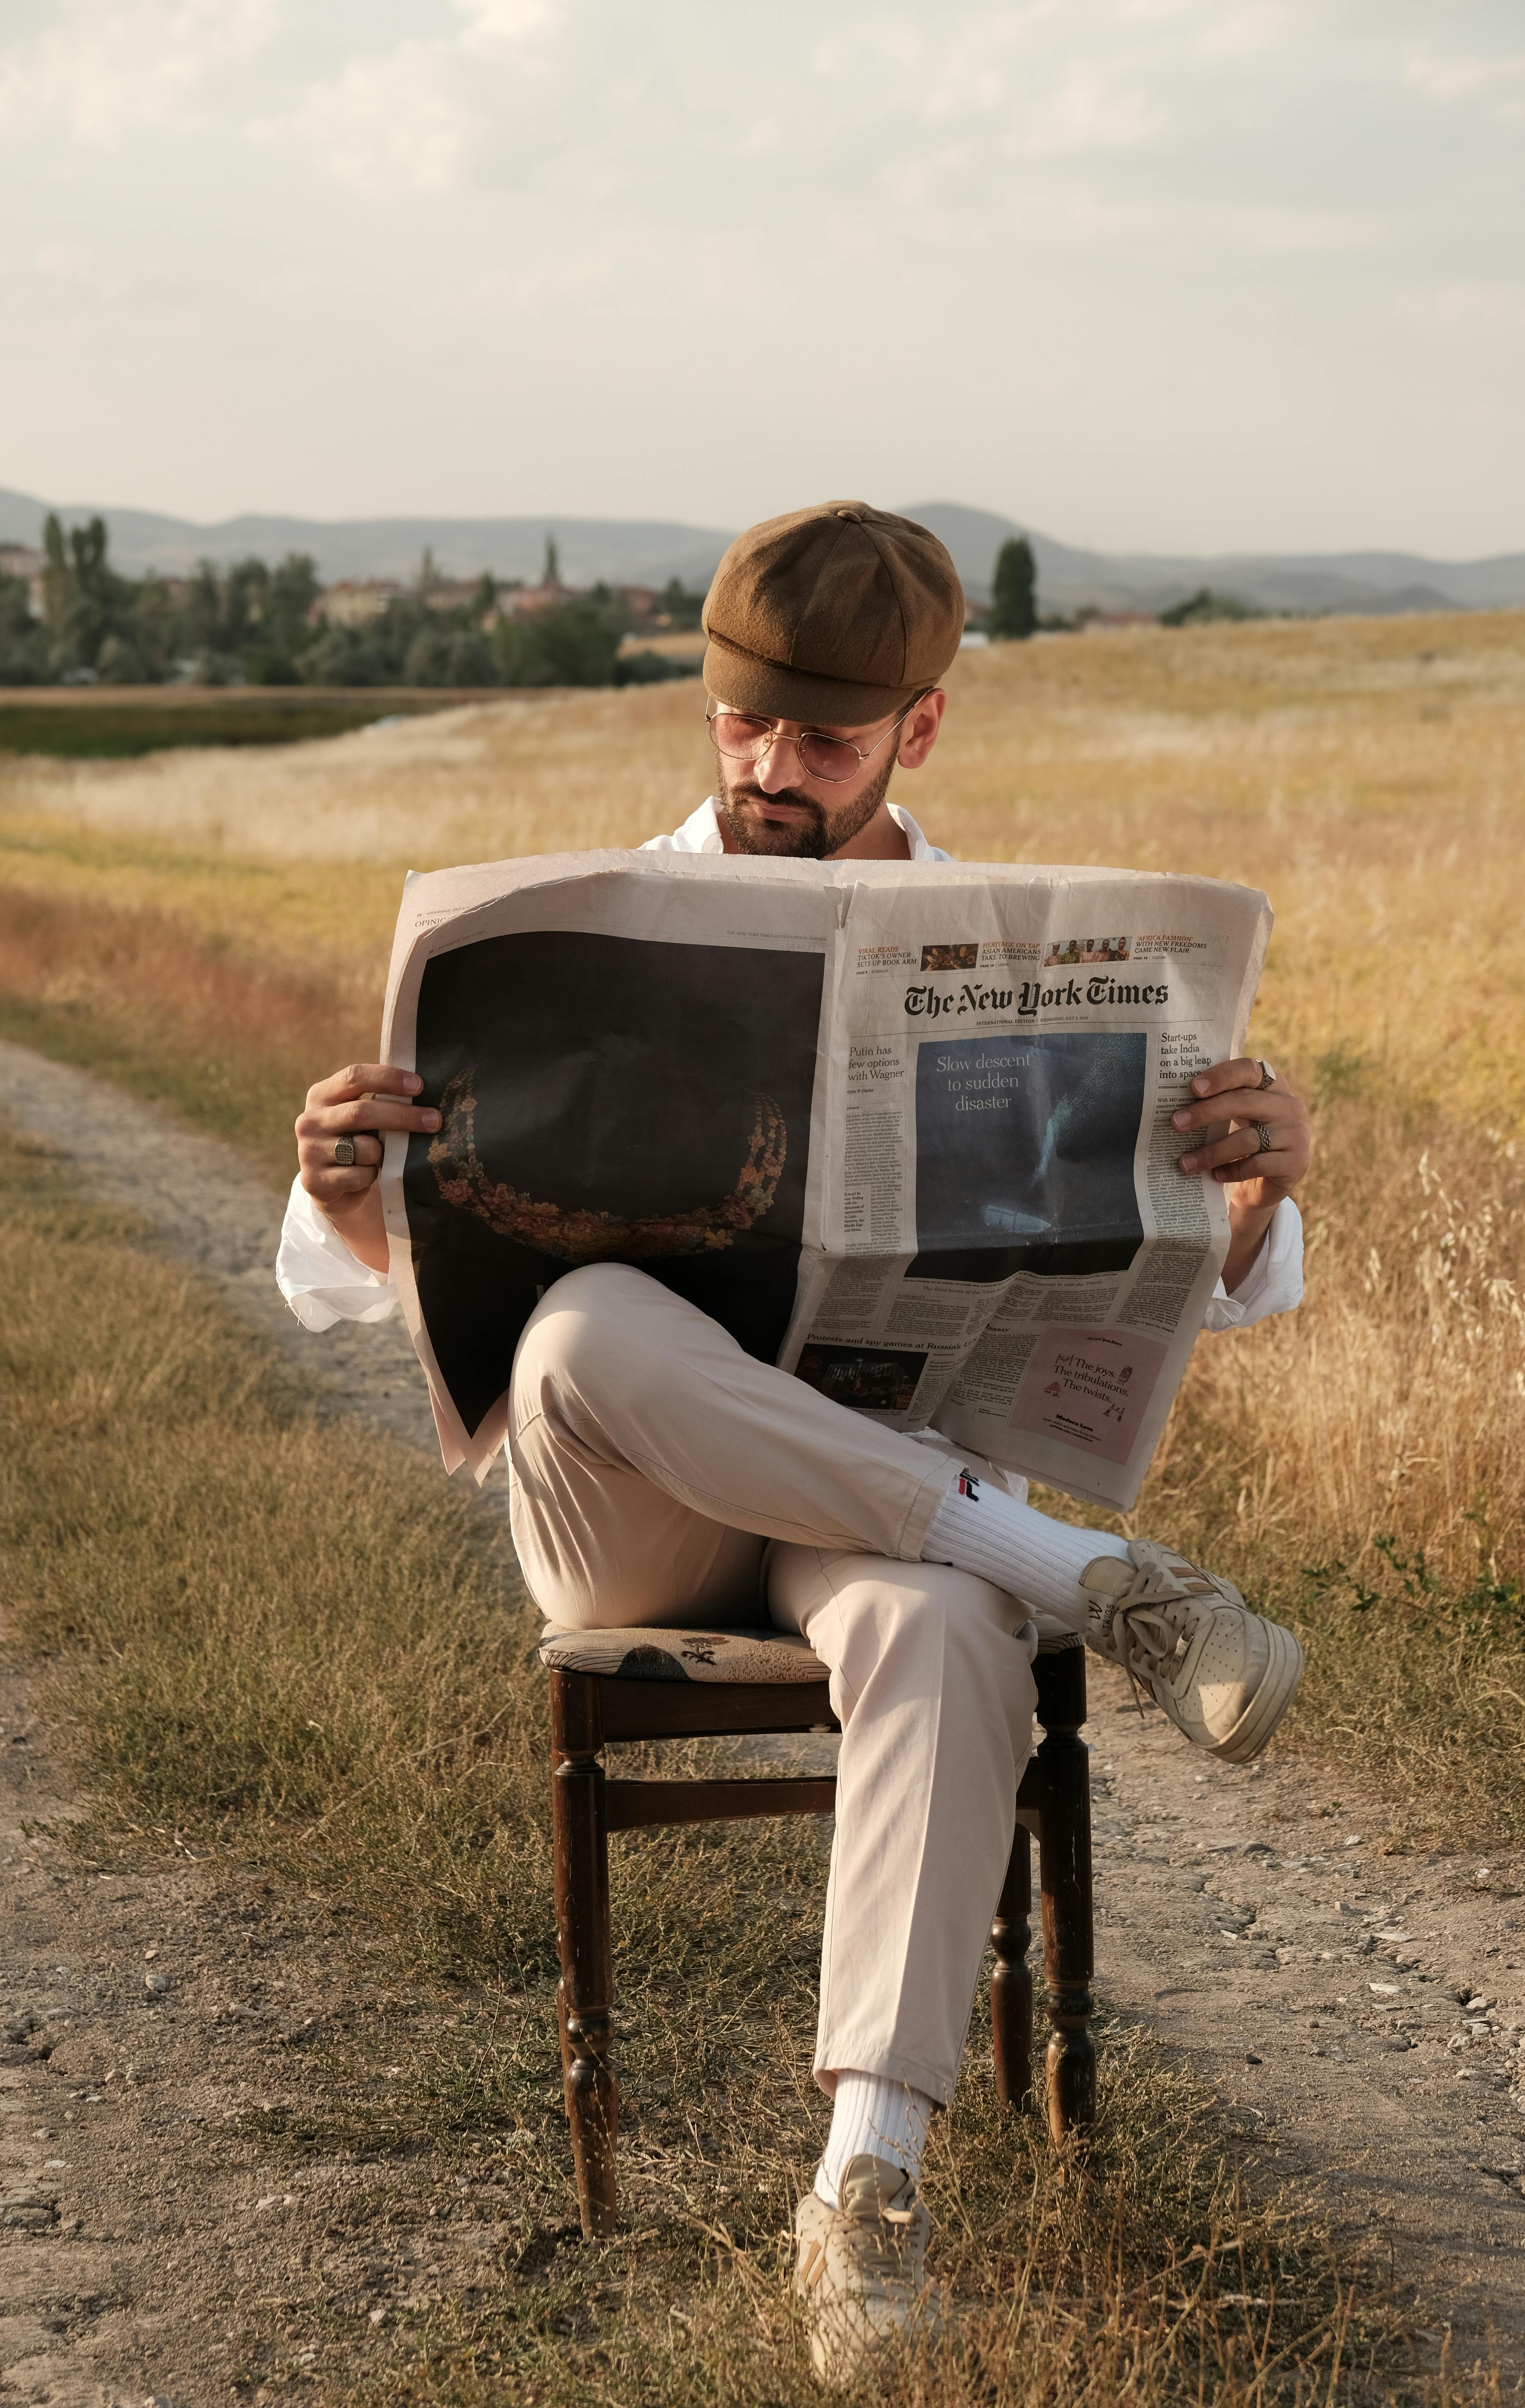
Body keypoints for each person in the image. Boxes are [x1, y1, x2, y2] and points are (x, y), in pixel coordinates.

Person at [276, 501, 1312, 2386]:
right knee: (590, 1325)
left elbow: (1213, 1291)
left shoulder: (1008, 944)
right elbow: (350, 1297)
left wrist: (1249, 1193)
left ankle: (863, 2188)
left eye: (820, 741)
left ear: (918, 729)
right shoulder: (587, 922)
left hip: (869, 1484)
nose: (766, 770)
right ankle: (1076, 1573)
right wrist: (347, 1195)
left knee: (927, 1629)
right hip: (631, 1506)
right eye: (737, 728)